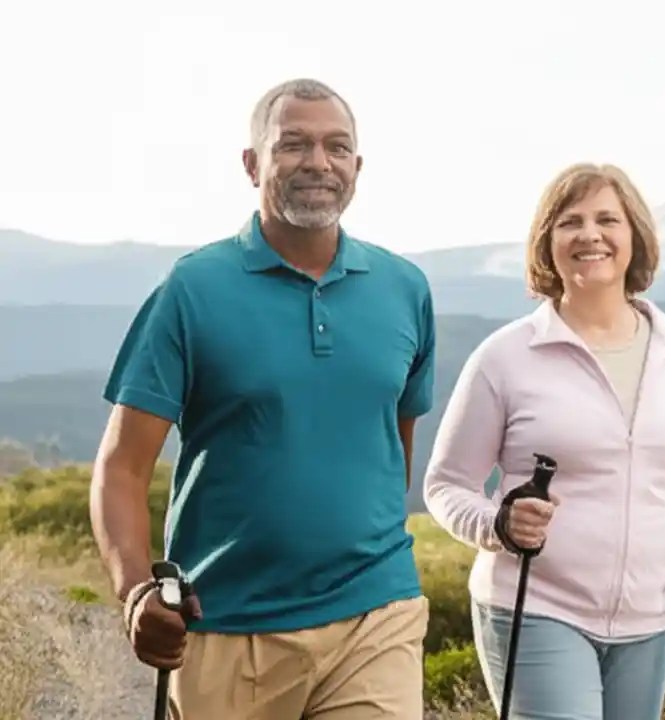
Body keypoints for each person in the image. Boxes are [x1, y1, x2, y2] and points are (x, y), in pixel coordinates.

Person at [421, 162, 665, 719]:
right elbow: (446, 485)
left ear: (635, 236)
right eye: (570, 221)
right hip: (537, 605)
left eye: (608, 218)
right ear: (547, 243)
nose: (590, 234)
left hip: (652, 617)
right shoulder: (506, 357)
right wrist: (498, 526)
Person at [88, 78, 435, 719]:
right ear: (253, 164)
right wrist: (137, 592)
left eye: (337, 147)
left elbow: (392, 446)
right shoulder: (192, 290)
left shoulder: (406, 289)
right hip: (226, 624)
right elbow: (121, 468)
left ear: (358, 167)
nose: (318, 162)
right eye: (294, 144)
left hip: (376, 615)